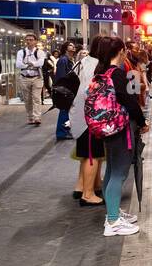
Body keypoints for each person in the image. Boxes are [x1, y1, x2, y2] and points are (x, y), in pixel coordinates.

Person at [88, 37, 147, 237]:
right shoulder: (119, 74)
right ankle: (113, 222)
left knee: (112, 170)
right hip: (121, 129)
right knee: (119, 174)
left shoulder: (101, 71)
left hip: (108, 129)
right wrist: (142, 122)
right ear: (121, 51)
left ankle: (112, 213)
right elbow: (131, 103)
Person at [70, 34, 107, 206]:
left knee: (89, 154)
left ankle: (84, 187)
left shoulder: (84, 61)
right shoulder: (96, 65)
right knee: (92, 155)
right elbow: (90, 92)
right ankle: (88, 194)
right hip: (90, 117)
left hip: (80, 114)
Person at [15, 33, 46, 125]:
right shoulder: (21, 52)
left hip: (37, 78)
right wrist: (32, 64)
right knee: (27, 99)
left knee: (37, 98)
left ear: (35, 41)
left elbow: (40, 63)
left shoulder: (40, 52)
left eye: (31, 40)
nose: (29, 41)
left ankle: (37, 117)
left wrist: (28, 63)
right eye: (27, 39)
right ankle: (30, 117)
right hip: (24, 78)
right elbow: (18, 64)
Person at [53, 41, 78, 141]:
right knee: (64, 111)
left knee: (67, 111)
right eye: (70, 45)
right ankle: (61, 133)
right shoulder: (63, 60)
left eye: (73, 45)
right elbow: (61, 76)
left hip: (69, 89)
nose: (73, 47)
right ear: (65, 48)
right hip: (64, 90)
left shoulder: (70, 60)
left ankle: (65, 131)